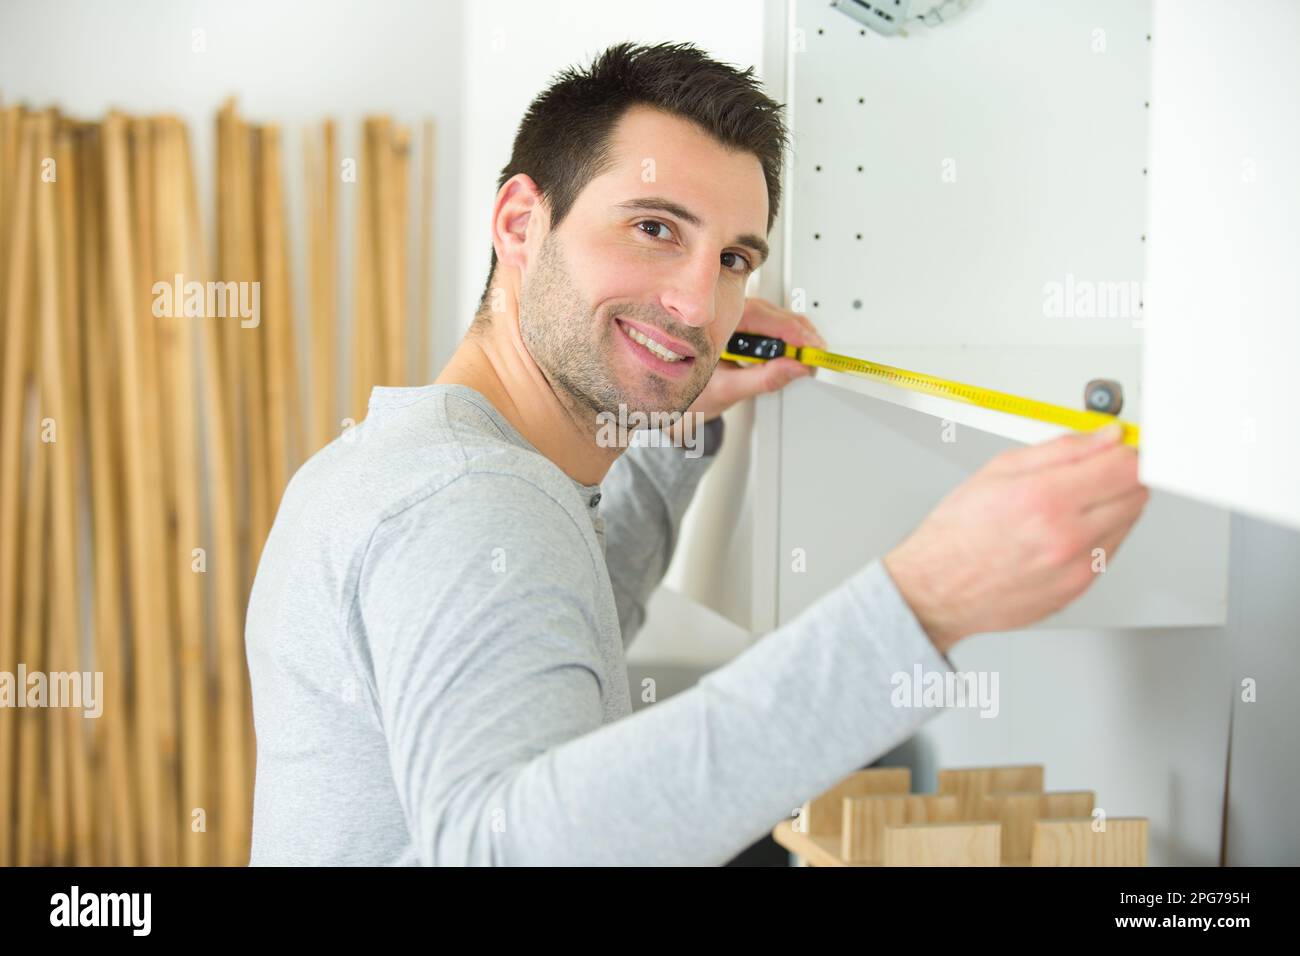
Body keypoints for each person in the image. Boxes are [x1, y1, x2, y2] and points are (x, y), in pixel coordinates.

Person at [245, 41, 1149, 865]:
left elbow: (560, 626)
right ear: (521, 222)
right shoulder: (473, 500)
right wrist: (922, 605)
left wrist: (677, 428)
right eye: (654, 228)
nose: (695, 304)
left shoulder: (414, 462)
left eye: (732, 260)